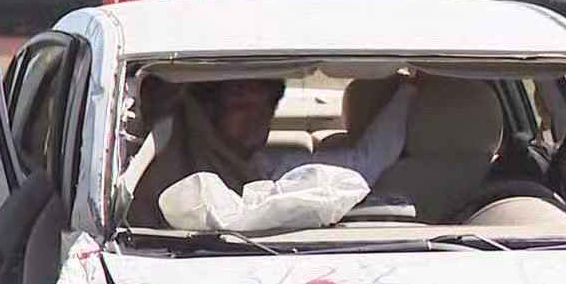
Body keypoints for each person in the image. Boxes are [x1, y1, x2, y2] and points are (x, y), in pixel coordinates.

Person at [127, 76, 416, 227]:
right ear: (208, 111)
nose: (254, 120)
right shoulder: (161, 165)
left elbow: (366, 162)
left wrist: (411, 88)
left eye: (264, 109)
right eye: (239, 107)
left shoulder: (289, 175)